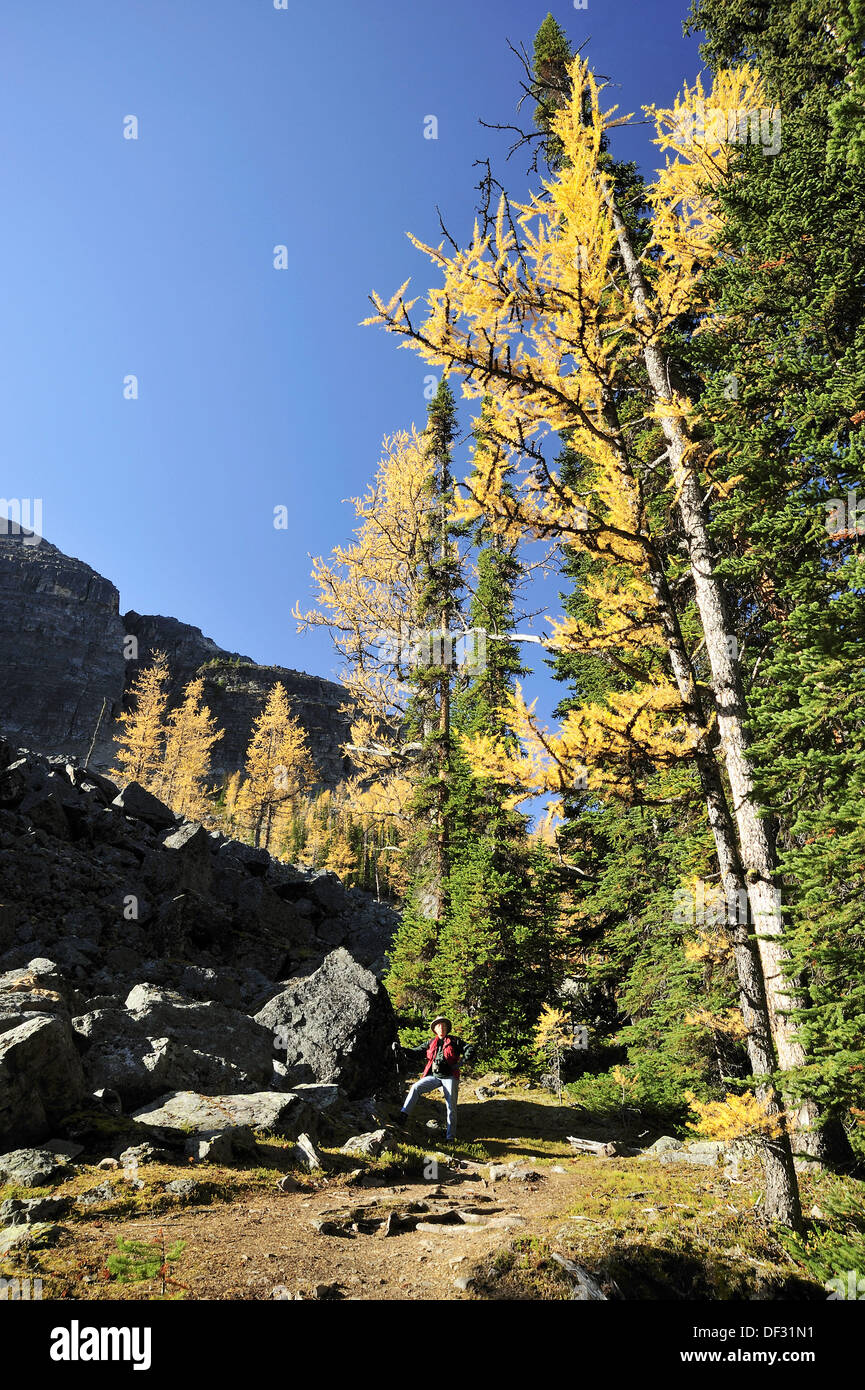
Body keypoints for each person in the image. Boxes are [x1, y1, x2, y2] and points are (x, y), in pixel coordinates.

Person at [397, 1015, 471, 1142]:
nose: (441, 1027)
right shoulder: (431, 1043)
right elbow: (415, 1053)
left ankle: (450, 1137)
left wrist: (462, 1062)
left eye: (443, 1025)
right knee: (415, 1087)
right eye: (438, 1026)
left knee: (451, 1106)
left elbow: (469, 1048)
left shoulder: (455, 1041)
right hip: (434, 1077)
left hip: (450, 1077)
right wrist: (401, 1049)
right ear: (435, 1029)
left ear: (447, 1028)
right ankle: (403, 1116)